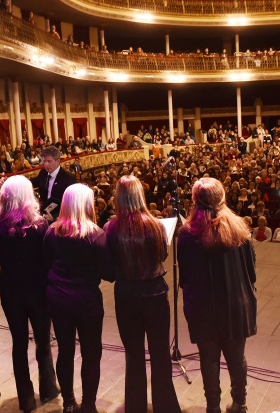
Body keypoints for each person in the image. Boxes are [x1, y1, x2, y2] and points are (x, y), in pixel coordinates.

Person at [104, 176, 182, 413]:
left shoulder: (111, 228)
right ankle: (166, 407)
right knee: (160, 354)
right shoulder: (156, 226)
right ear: (140, 195)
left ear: (119, 197)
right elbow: (163, 257)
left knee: (134, 356)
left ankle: (135, 407)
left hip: (126, 296)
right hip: (155, 294)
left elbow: (108, 270)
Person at [178, 178, 256, 413]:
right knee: (236, 357)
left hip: (203, 307)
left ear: (195, 201)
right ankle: (240, 404)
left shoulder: (187, 234)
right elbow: (251, 273)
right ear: (222, 198)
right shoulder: (240, 228)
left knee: (209, 359)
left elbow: (185, 276)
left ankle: (213, 407)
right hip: (235, 304)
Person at [0, 176, 60, 413]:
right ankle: (49, 387)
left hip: (10, 289)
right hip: (38, 289)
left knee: (18, 343)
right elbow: (48, 258)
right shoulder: (40, 225)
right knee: (43, 340)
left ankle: (26, 398)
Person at [44, 184, 112, 413]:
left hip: (58, 299)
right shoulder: (96, 234)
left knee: (65, 351)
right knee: (91, 353)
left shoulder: (52, 231)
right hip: (87, 301)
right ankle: (89, 404)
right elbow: (109, 273)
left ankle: (68, 402)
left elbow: (46, 262)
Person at [32, 146, 76, 221]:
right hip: (44, 215)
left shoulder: (68, 178)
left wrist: (55, 217)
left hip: (60, 218)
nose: (46, 164)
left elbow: (72, 204)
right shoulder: (43, 173)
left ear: (58, 161)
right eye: (44, 161)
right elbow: (33, 182)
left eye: (49, 161)